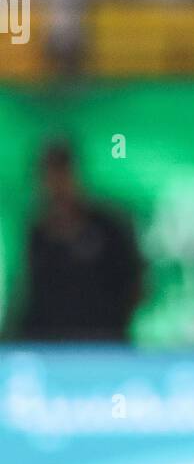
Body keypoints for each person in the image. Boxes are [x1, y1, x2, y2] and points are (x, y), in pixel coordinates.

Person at [19, 141, 143, 342]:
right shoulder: (38, 233)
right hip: (50, 347)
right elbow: (33, 298)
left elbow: (135, 285)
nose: (56, 186)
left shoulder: (109, 227)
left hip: (104, 344)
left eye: (62, 175)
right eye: (49, 177)